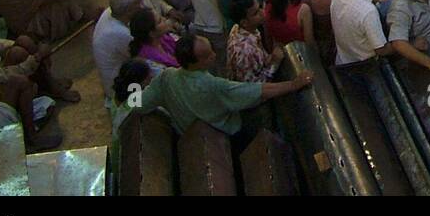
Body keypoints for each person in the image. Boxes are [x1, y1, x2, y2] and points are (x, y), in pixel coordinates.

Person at [132, 32, 312, 135]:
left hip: (189, 136)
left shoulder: (166, 77)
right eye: (208, 55)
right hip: (225, 135)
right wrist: (293, 84)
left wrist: (126, 99)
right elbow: (258, 91)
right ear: (196, 63)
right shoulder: (213, 85)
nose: (214, 56)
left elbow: (139, 104)